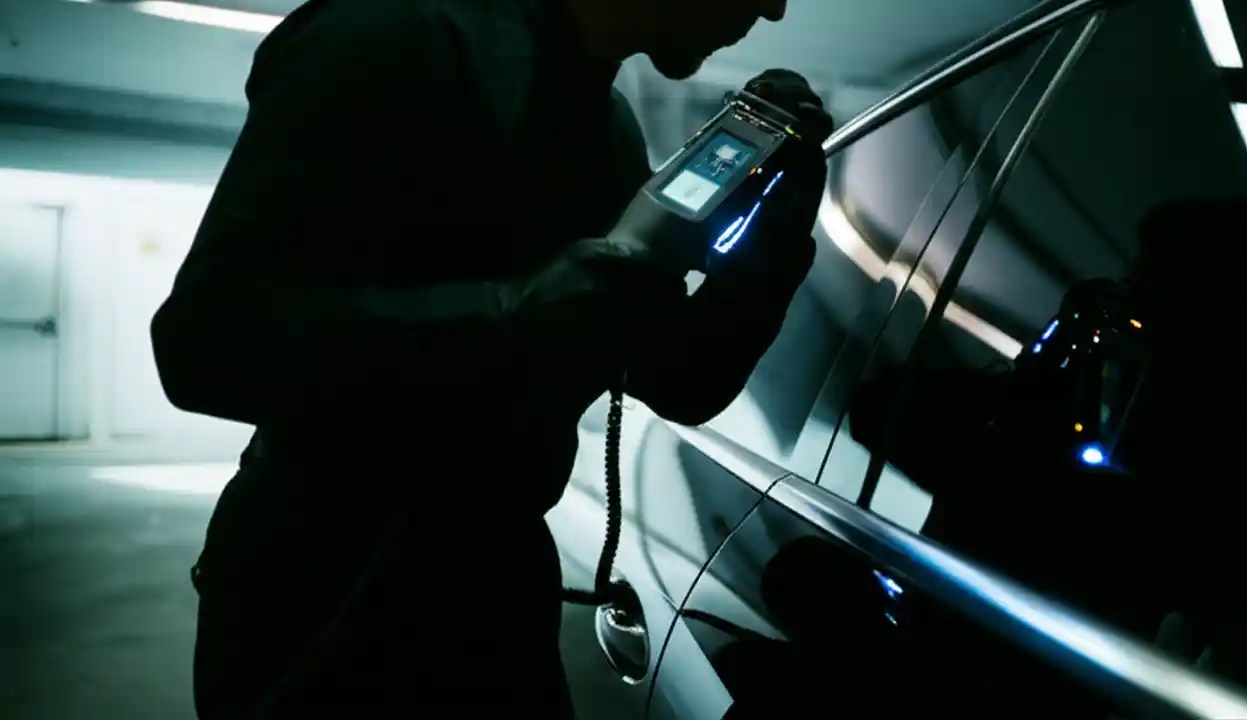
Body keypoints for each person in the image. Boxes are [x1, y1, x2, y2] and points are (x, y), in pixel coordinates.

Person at [150, 0, 833, 717]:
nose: (775, 5)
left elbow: (674, 379)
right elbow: (202, 342)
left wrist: (771, 255)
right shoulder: (391, 34)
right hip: (321, 586)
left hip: (494, 588)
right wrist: (509, 316)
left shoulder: (607, 125)